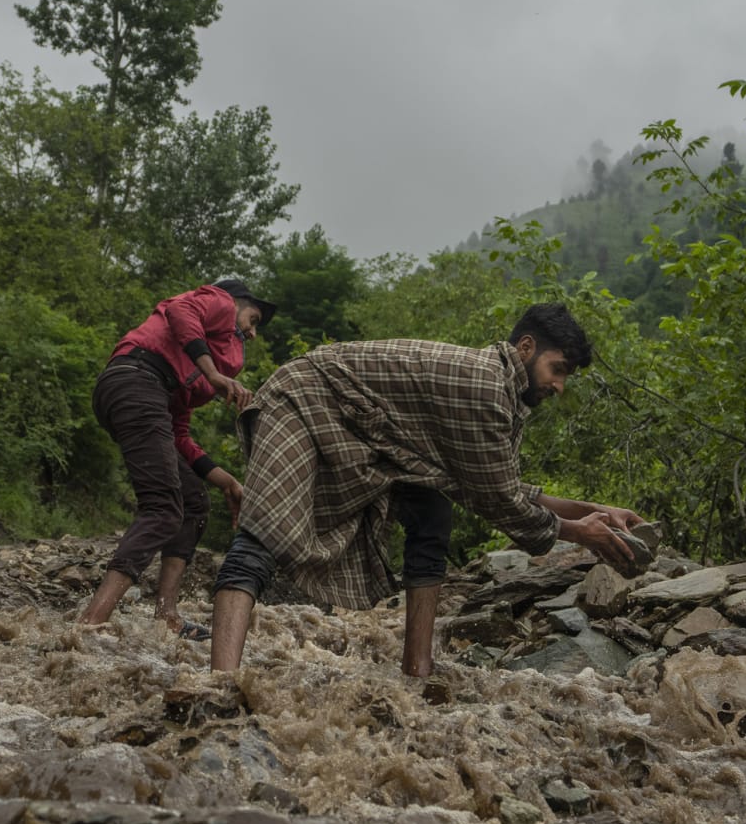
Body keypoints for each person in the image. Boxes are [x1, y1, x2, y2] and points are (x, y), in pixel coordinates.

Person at [207, 302, 643, 676]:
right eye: (558, 369)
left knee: (433, 515)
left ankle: (417, 670)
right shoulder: (486, 385)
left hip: (371, 435)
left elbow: (501, 487)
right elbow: (501, 503)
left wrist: (595, 509)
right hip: (301, 399)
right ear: (525, 348)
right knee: (262, 535)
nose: (560, 386)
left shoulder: (502, 396)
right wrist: (580, 532)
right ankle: (219, 683)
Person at [79, 279, 276, 637]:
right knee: (163, 507)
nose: (252, 331)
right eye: (254, 318)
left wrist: (227, 482)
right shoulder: (217, 301)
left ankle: (166, 615)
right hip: (135, 381)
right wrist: (213, 372)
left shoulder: (184, 375)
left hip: (133, 392)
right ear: (237, 303)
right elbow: (179, 310)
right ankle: (92, 620)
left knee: (192, 501)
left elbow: (179, 435)